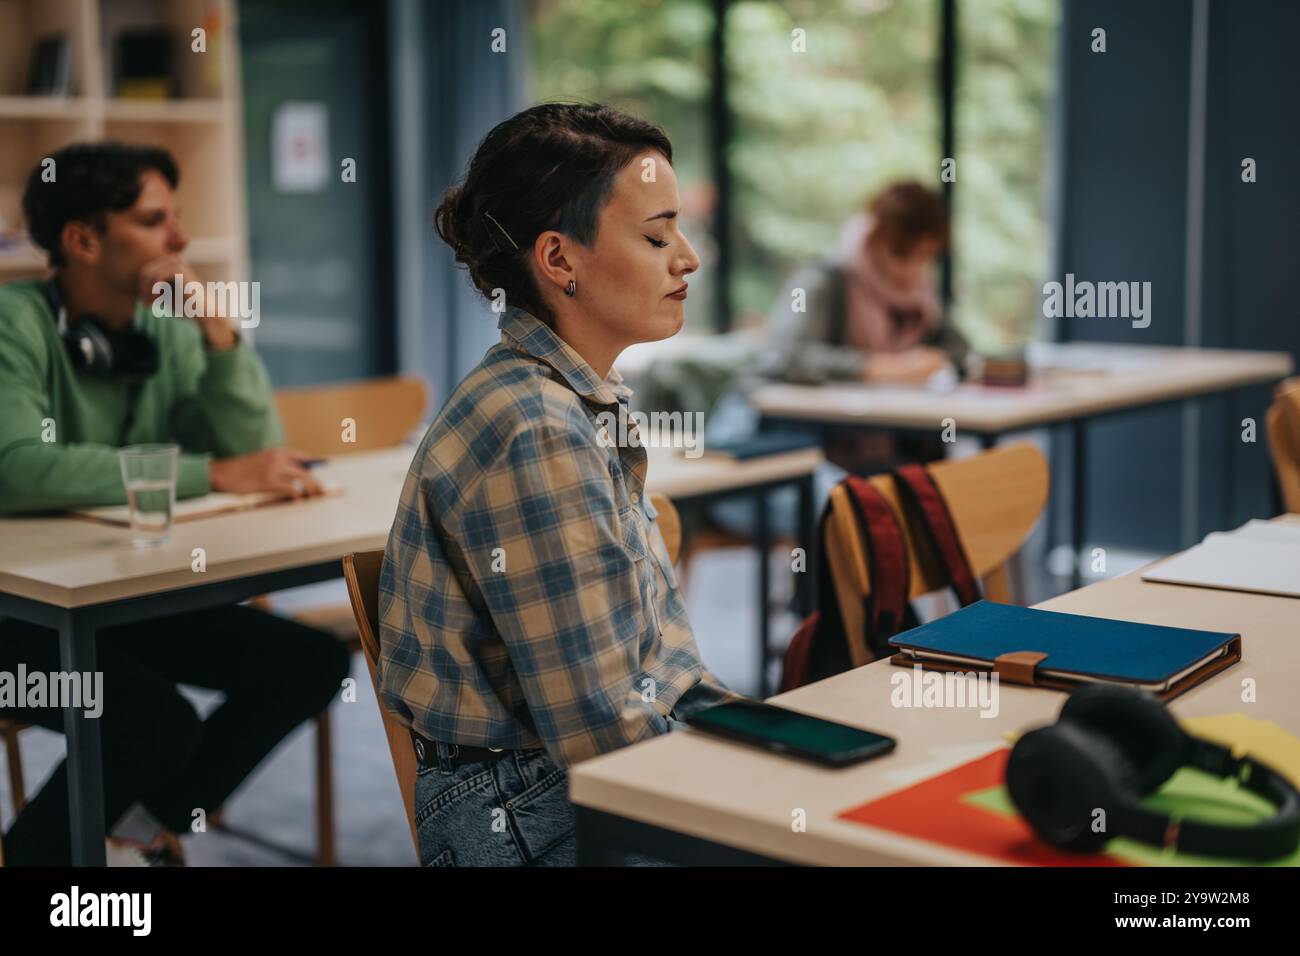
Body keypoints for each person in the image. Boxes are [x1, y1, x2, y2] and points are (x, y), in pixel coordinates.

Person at [379, 103, 744, 867]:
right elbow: (603, 730)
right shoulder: (536, 428)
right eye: (655, 234)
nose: (687, 258)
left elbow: (656, 673)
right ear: (559, 259)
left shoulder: (573, 399)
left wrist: (754, 736)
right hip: (525, 806)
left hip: (559, 774)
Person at [0, 142, 351, 866]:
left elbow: (255, 448)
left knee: (308, 664)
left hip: (115, 597)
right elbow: (18, 469)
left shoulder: (164, 327)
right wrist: (209, 475)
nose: (181, 240)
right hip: (18, 610)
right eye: (156, 221)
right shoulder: (13, 322)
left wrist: (218, 334)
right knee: (150, 721)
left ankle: (131, 831)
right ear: (83, 239)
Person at [707, 180, 970, 539]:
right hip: (777, 446)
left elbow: (960, 350)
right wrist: (881, 368)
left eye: (925, 257)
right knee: (859, 513)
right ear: (877, 237)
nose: (912, 270)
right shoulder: (823, 280)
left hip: (860, 452)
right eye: (904, 254)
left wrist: (937, 359)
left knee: (934, 497)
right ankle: (833, 591)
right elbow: (789, 356)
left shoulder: (918, 301)